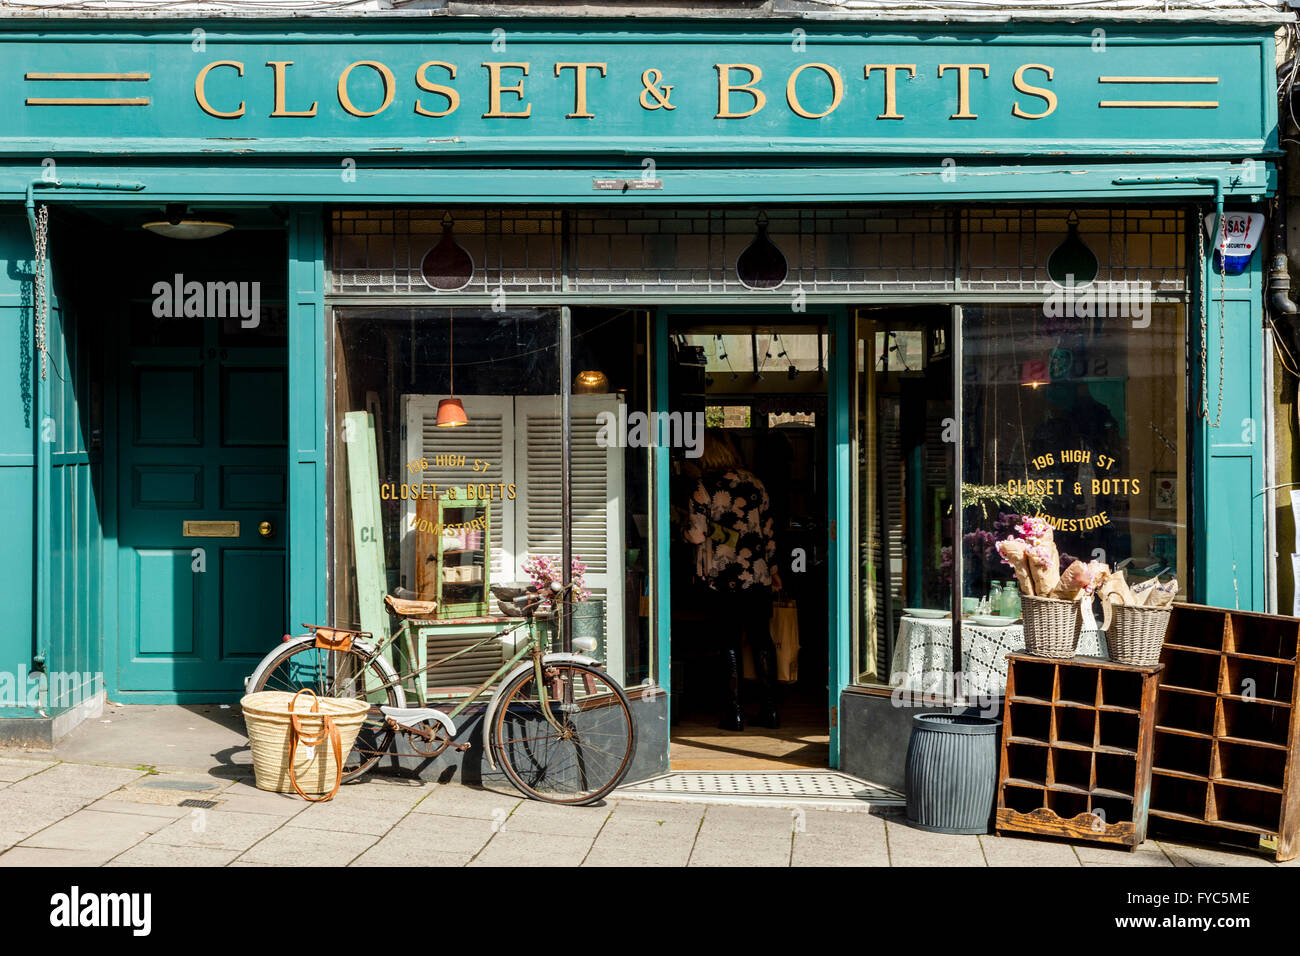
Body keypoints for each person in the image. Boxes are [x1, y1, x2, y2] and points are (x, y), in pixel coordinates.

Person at [683, 430, 783, 731]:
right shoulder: (756, 483)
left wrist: (681, 529)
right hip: (757, 575)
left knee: (728, 642)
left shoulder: (703, 487)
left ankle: (735, 713)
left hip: (722, 578)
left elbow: (697, 534)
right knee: (761, 640)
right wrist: (775, 571)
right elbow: (768, 533)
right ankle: (771, 711)